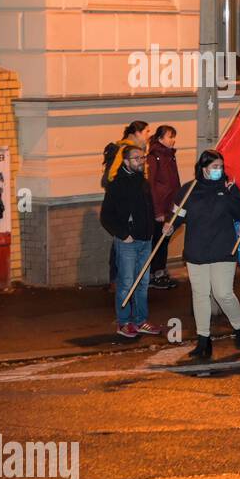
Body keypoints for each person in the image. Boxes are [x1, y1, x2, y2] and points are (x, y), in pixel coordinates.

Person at [162, 149, 240, 360]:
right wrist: (169, 226)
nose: (218, 170)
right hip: (196, 251)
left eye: (220, 166)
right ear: (203, 168)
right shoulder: (188, 190)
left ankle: (239, 325)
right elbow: (177, 215)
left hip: (223, 250)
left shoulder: (229, 188)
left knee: (222, 293)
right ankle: (203, 341)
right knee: (199, 296)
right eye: (214, 167)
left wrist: (230, 195)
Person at [100, 143, 162, 338]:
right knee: (126, 282)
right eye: (137, 158)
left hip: (146, 240)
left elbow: (148, 208)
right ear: (126, 161)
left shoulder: (143, 182)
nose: (141, 162)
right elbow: (106, 216)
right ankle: (124, 322)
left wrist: (152, 229)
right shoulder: (117, 185)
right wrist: (123, 234)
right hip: (128, 242)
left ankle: (141, 320)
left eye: (143, 158)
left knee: (142, 283)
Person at [145, 124, 181, 289]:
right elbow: (152, 184)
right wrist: (157, 210)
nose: (172, 140)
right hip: (160, 206)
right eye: (169, 136)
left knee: (165, 239)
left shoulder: (170, 155)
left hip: (170, 205)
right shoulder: (155, 157)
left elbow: (175, 181)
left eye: (173, 136)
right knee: (159, 240)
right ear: (160, 138)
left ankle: (160, 271)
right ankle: (155, 273)